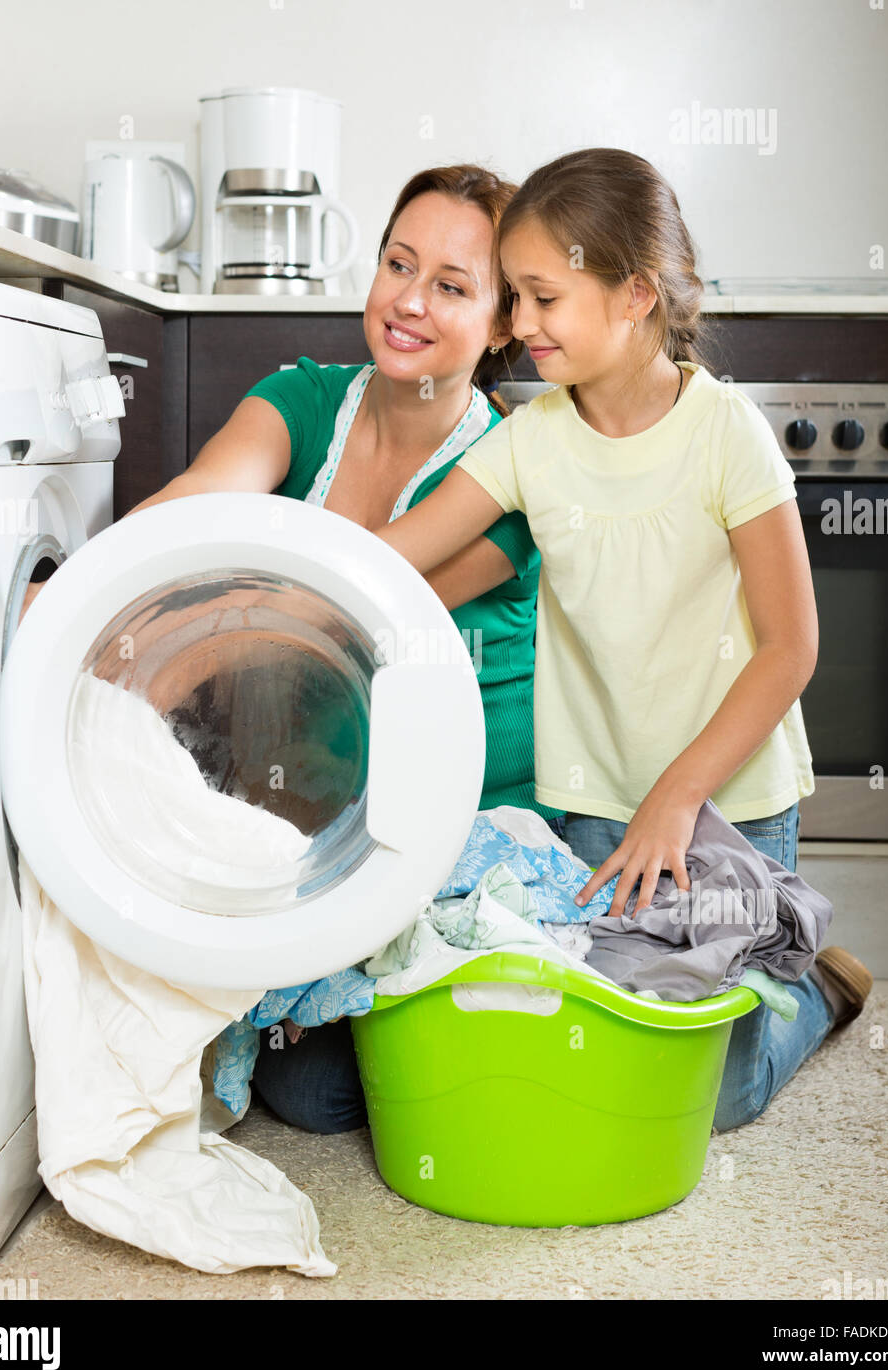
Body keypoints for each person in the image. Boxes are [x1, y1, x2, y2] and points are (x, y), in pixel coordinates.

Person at [372, 148, 872, 1133]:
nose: (518, 328)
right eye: (514, 297)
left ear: (637, 293)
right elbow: (394, 559)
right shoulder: (530, 439)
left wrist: (677, 799)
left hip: (728, 801)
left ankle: (818, 989)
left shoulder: (726, 433)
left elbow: (788, 648)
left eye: (543, 298)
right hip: (598, 806)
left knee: (716, 1099)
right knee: (603, 1044)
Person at [119, 164, 562, 1131]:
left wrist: (157, 644)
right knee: (297, 1080)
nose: (408, 301)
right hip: (319, 822)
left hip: (460, 831)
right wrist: (86, 592)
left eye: (452, 284)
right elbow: (195, 504)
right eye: (398, 264)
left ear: (500, 325)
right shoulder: (304, 399)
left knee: (337, 1092)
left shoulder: (507, 475)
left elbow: (339, 621)